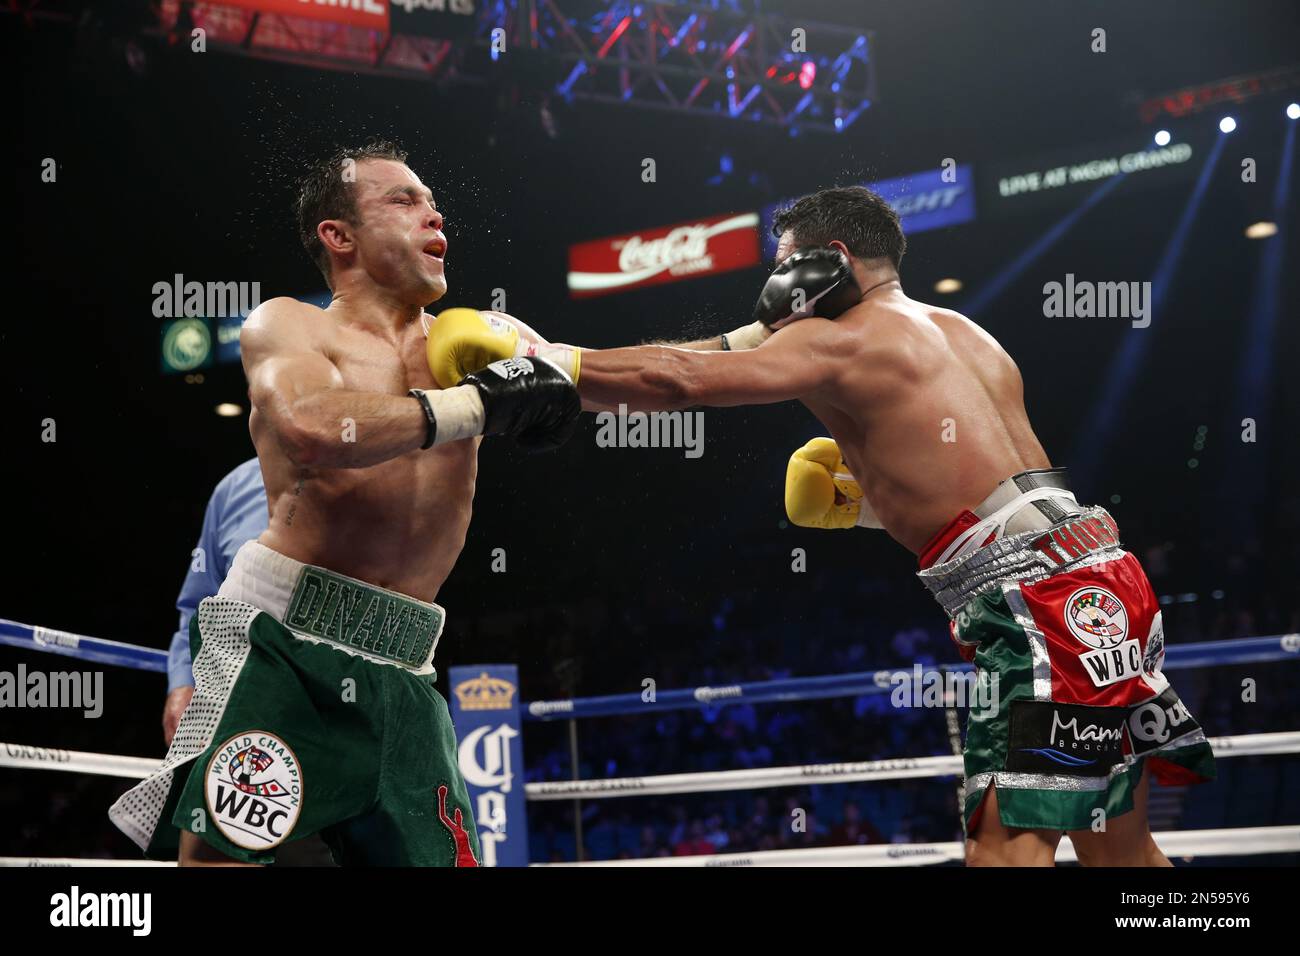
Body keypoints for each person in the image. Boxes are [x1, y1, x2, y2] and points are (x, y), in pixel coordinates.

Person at [429, 185, 1215, 867]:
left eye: (782, 262)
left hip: (1035, 609)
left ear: (831, 256)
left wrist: (544, 360)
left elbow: (681, 378)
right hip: (1101, 581)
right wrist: (870, 508)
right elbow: (995, 496)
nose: (773, 284)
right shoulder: (965, 333)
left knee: (1004, 850)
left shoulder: (844, 338)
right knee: (1121, 850)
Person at [110, 141, 581, 867]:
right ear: (339, 236)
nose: (433, 211)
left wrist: (757, 347)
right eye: (404, 200)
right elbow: (310, 425)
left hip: (406, 655)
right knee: (221, 859)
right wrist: (474, 405)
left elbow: (620, 377)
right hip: (281, 636)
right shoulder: (291, 325)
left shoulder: (483, 340)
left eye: (432, 200)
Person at [162, 458, 267, 747]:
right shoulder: (235, 487)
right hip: (234, 703)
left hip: (340, 704)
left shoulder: (378, 475)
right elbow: (199, 604)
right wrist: (184, 681)